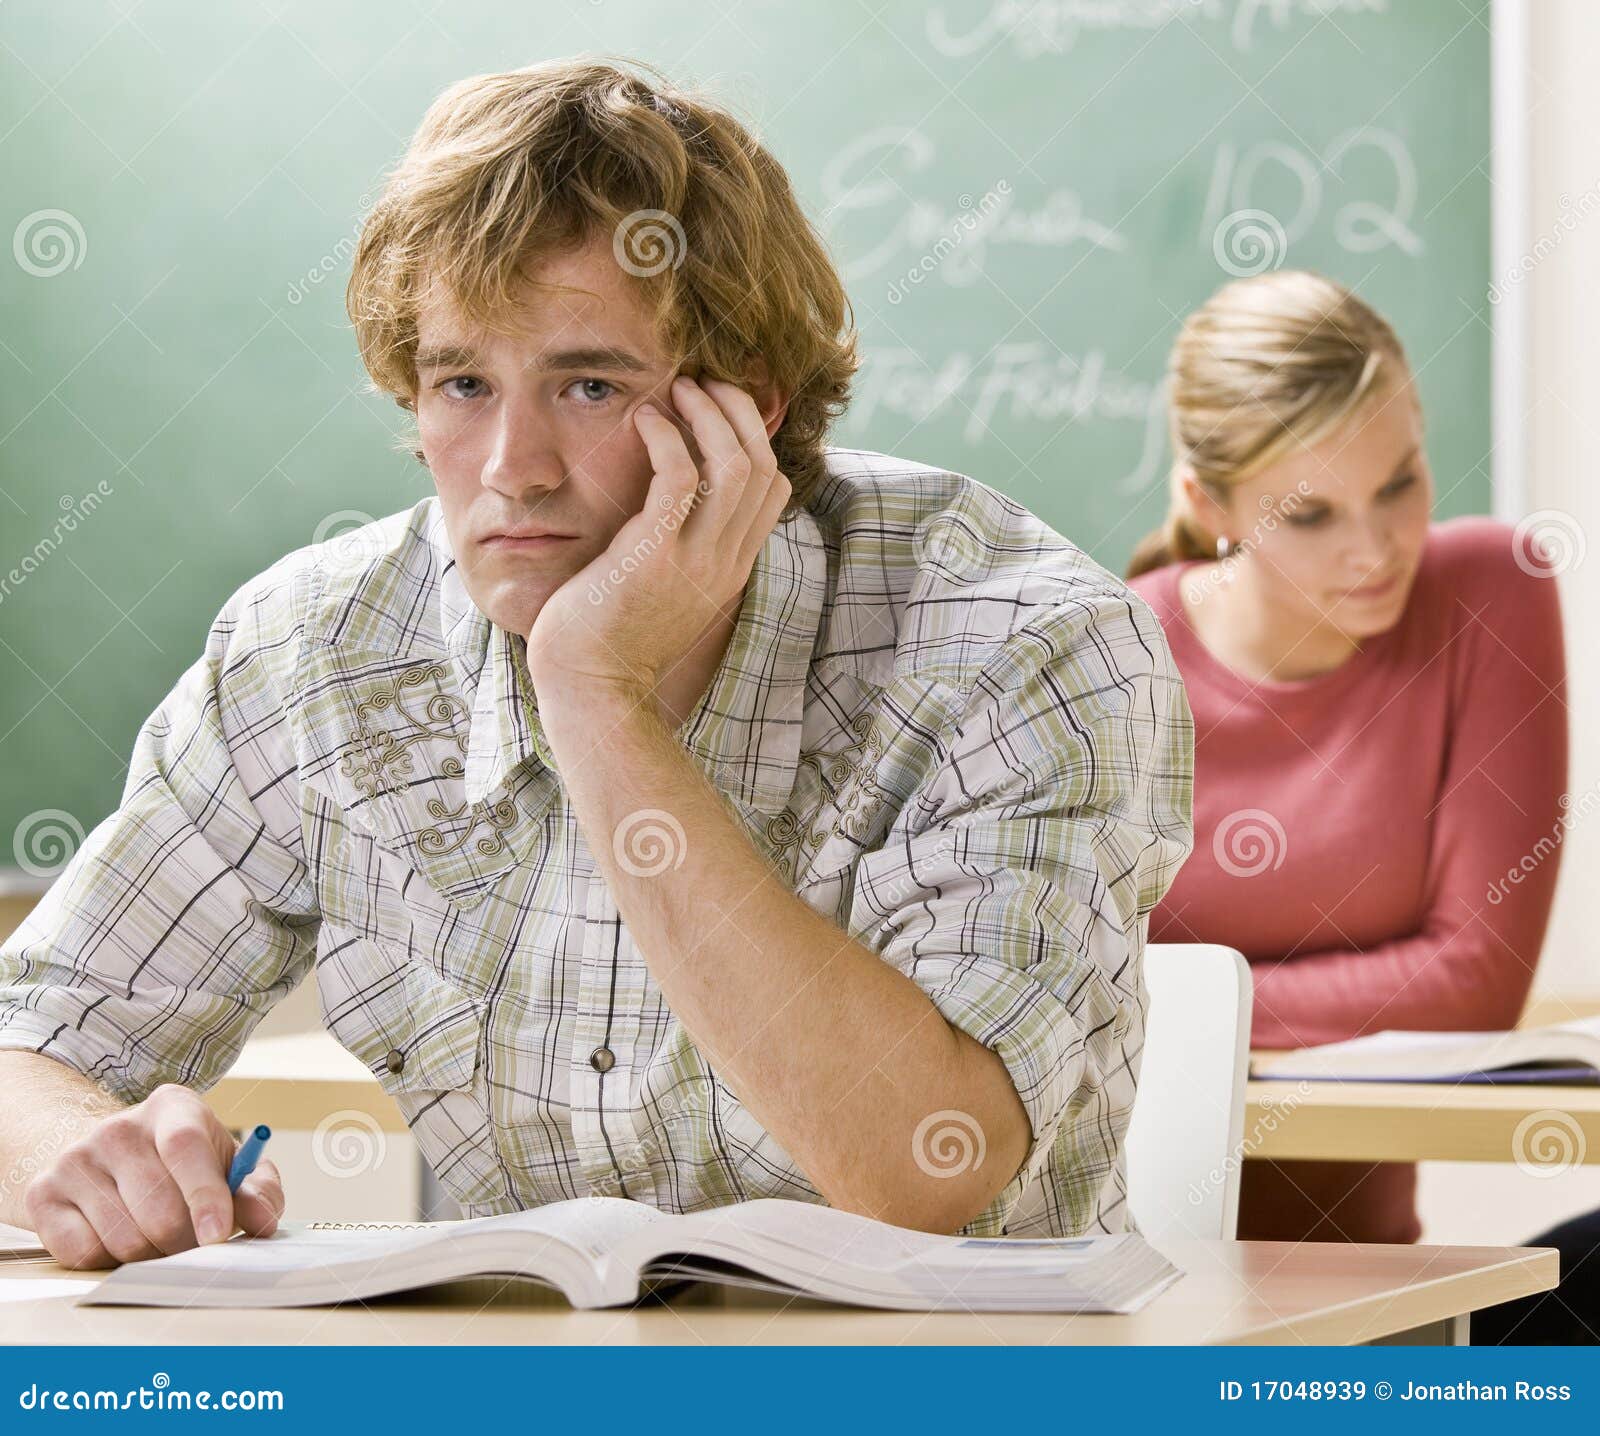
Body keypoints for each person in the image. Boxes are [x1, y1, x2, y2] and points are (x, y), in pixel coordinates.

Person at [0, 60, 1192, 1269]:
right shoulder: (315, 652)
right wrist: (86, 1151)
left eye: (587, 383)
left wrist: (595, 695)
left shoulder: (1020, 642)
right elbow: (27, 1041)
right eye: (461, 383)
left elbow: (916, 1167)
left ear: (749, 411)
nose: (511, 466)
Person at [1126, 269, 1582, 1341]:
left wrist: (1196, 1011)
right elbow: (1070, 1000)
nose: (1375, 549)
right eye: (1311, 513)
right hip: (1124, 1293)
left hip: (1378, 1300)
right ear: (1210, 508)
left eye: (1399, 482)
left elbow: (1474, 981)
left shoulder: (1489, 586)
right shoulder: (1115, 648)